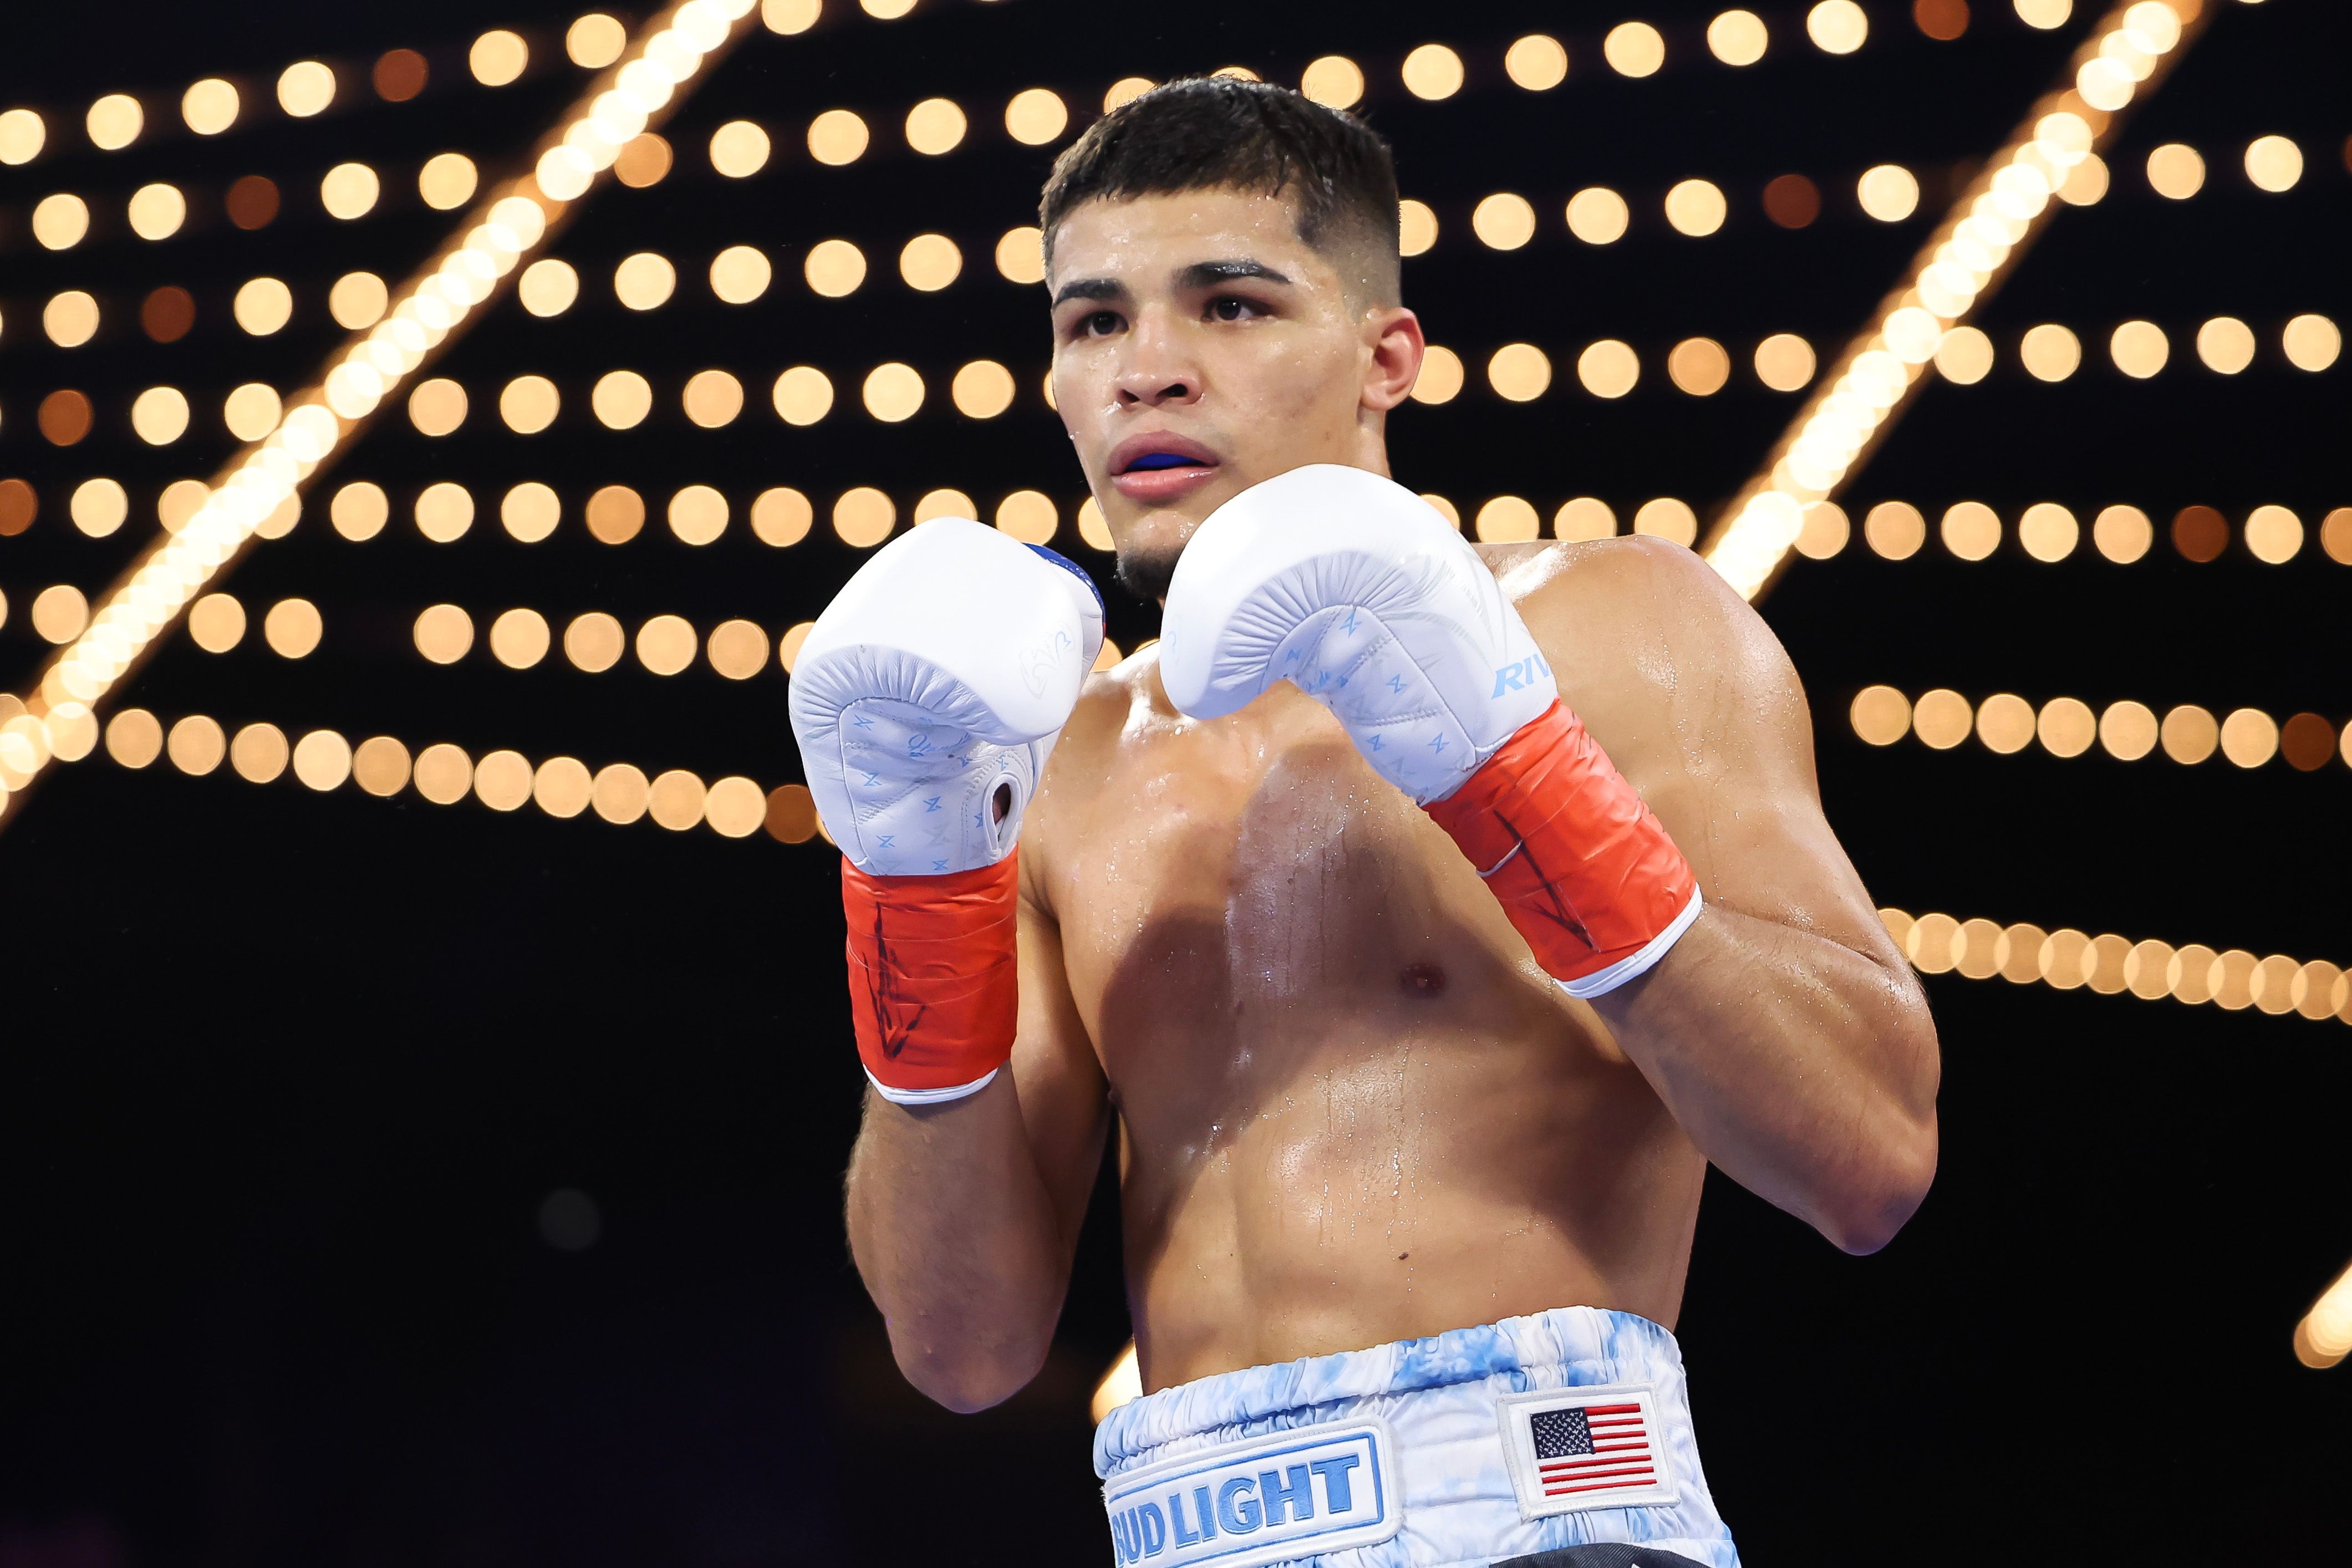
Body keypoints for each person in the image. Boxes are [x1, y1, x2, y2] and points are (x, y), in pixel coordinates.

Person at [791, 78, 1940, 1568]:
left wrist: (1508, 767)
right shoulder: (1050, 762)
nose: (1149, 370)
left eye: (1231, 305)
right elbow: (961, 1345)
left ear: (1383, 355)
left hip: (1552, 1529)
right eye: (1094, 323)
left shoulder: (1621, 628)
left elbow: (1868, 1161)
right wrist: (913, 875)